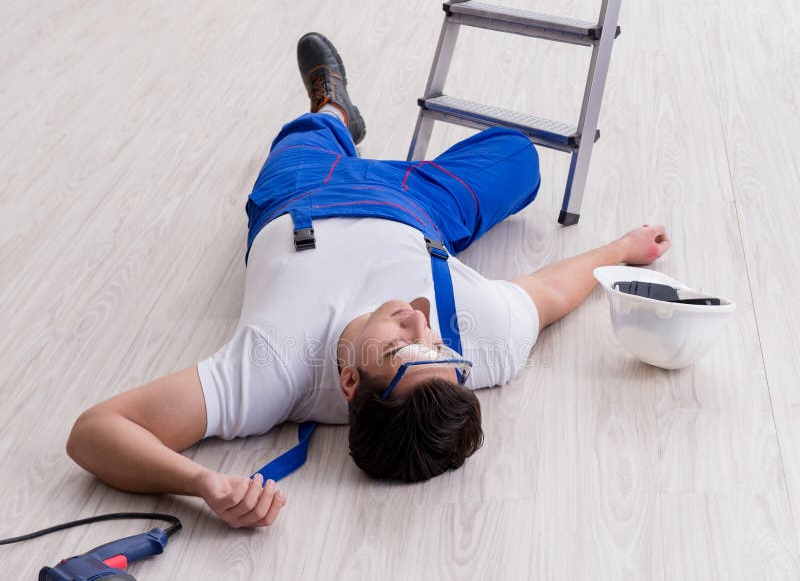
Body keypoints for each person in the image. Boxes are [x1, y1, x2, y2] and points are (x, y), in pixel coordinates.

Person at [66, 33, 670, 529]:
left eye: (399, 341)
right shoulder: (483, 347)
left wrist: (199, 484)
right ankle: (387, 156)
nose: (418, 314)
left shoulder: (272, 370)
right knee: (518, 156)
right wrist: (621, 250)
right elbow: (547, 292)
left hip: (305, 193)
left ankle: (333, 113)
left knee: (304, 135)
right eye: (437, 344)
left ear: (348, 379)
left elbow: (94, 433)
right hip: (416, 208)